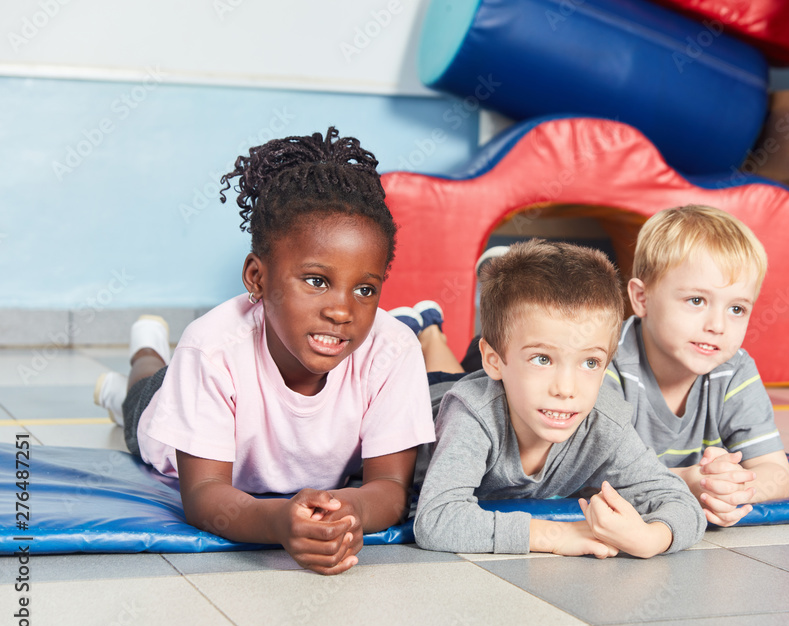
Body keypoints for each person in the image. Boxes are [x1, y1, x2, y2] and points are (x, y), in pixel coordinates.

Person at [93, 128, 435, 575]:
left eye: (365, 288)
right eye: (316, 280)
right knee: (139, 394)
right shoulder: (211, 348)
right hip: (166, 410)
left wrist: (346, 513)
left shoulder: (393, 349)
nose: (341, 310)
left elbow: (389, 486)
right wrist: (280, 523)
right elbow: (205, 496)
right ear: (256, 278)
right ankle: (144, 351)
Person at [413, 240, 706, 557]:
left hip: (501, 382)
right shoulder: (472, 415)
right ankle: (428, 333)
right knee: (444, 374)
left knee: (464, 371)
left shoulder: (603, 423)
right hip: (434, 396)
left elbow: (678, 499)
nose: (566, 389)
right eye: (542, 359)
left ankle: (431, 327)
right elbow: (435, 519)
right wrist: (553, 535)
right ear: (494, 360)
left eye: (590, 362)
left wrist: (652, 538)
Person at [606, 204, 789, 528]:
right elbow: (589, 477)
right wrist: (690, 482)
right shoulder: (606, 366)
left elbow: (776, 472)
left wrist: (735, 489)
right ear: (641, 298)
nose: (718, 325)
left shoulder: (733, 370)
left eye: (736, 308)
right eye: (696, 301)